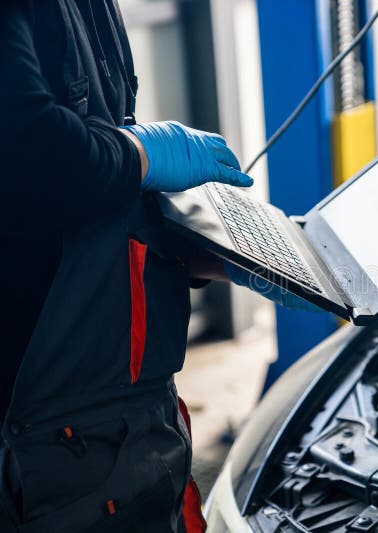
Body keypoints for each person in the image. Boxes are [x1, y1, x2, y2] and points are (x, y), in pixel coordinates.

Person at [0, 1, 294, 531]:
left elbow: (85, 202)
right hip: (47, 444)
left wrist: (218, 255)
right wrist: (141, 153)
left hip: (120, 419)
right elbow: (33, 157)